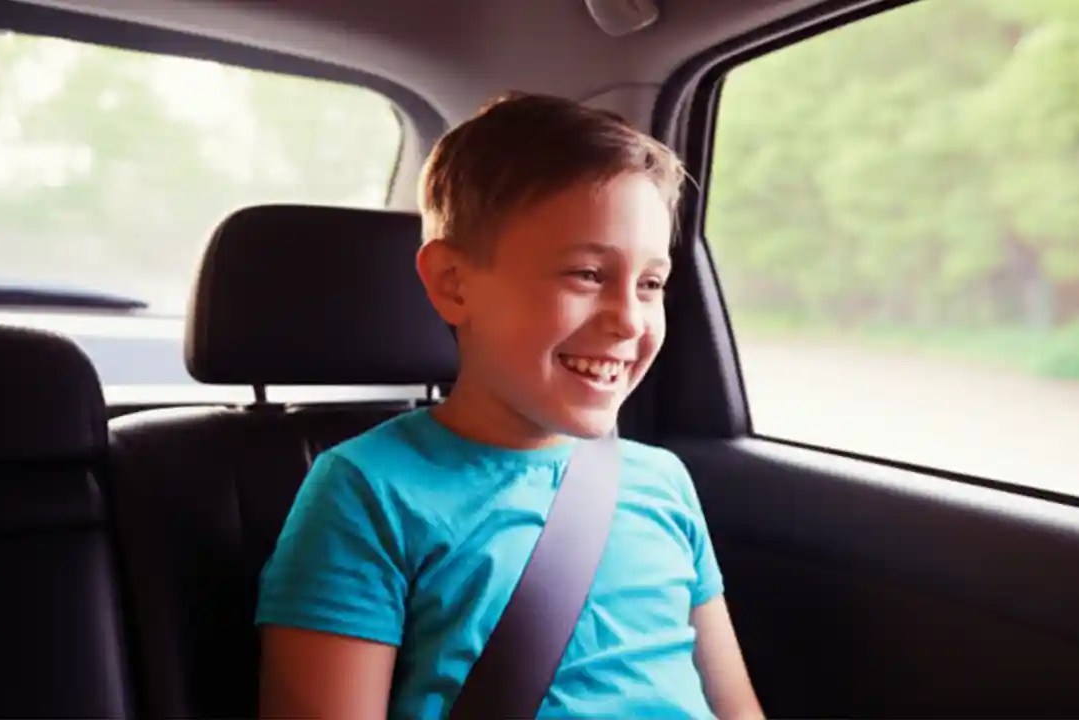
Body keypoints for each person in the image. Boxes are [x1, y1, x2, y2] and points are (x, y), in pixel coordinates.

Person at [256, 92, 765, 719]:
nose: (629, 320)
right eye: (585, 274)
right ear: (453, 283)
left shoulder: (661, 482)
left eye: (650, 284)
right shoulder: (366, 491)